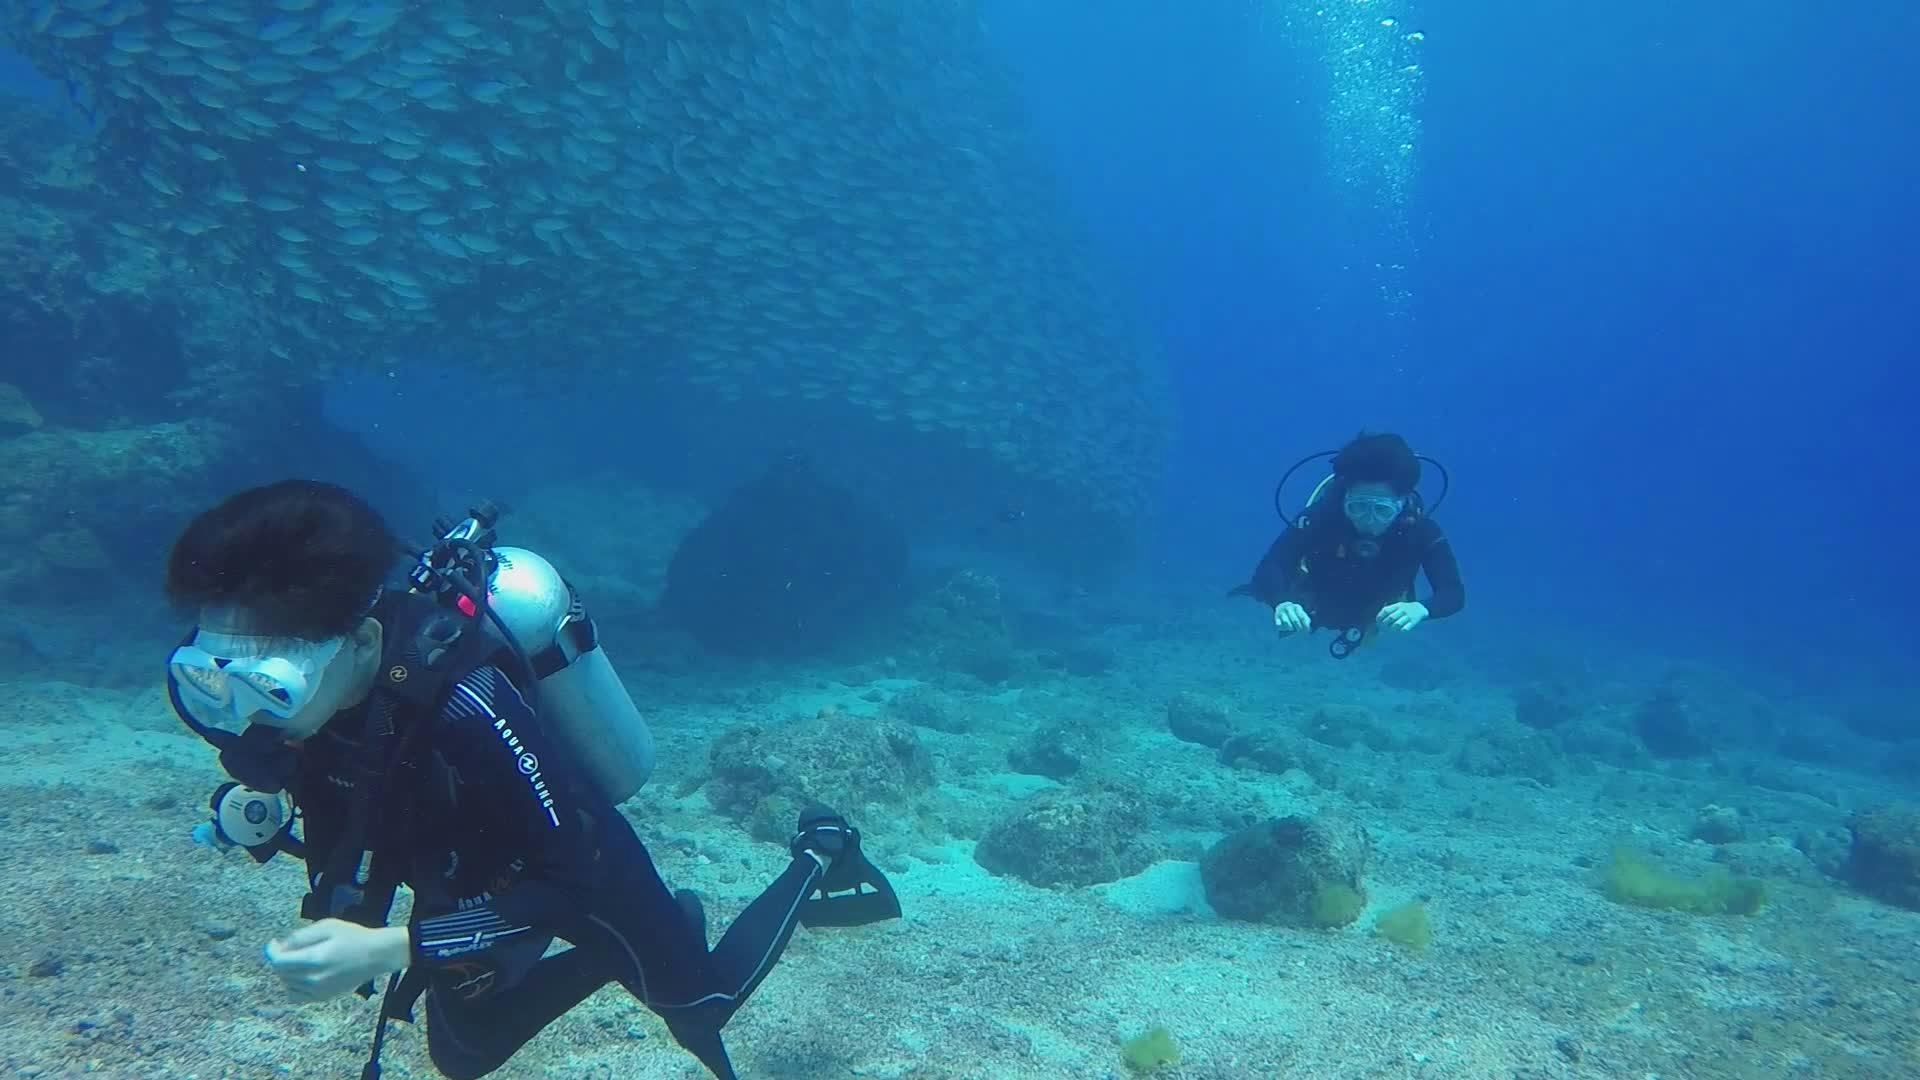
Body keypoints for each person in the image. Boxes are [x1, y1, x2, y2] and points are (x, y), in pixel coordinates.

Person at [162, 480, 898, 1080]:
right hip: (472, 854)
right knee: (465, 1051)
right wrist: (251, 812)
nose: (239, 716)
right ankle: (615, 955)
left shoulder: (462, 703)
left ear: (359, 641)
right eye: (210, 681)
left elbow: (574, 877)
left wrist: (392, 947)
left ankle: (820, 851)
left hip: (572, 856)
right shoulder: (311, 707)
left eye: (270, 686)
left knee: (702, 1003)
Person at [1233, 432, 1465, 657]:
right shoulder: (1322, 517)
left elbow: (1453, 593)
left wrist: (1422, 609)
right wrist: (1281, 601)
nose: (1368, 520)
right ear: (1345, 498)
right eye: (1359, 507)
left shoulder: (1421, 530)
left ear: (1401, 504)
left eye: (1382, 510)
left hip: (1373, 613)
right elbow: (1271, 565)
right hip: (1315, 601)